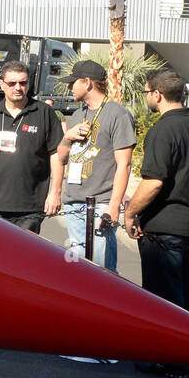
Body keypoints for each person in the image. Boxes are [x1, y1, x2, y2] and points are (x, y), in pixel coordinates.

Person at [125, 68, 189, 319]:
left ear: (157, 94)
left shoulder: (163, 130)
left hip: (164, 227)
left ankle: (168, 356)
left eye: (146, 92)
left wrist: (130, 212)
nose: (146, 97)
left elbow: (154, 182)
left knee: (163, 299)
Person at [55, 60, 135, 272]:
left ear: (87, 82)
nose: (69, 87)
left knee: (102, 271)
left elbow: (124, 164)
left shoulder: (117, 114)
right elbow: (61, 157)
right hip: (74, 201)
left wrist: (113, 206)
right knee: (78, 270)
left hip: (100, 203)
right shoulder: (77, 114)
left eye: (73, 82)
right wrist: (67, 137)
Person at [0, 60, 64, 233]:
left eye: (23, 82)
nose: (18, 87)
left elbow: (56, 155)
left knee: (23, 258)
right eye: (12, 83)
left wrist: (55, 192)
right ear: (2, 84)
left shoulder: (44, 112)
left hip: (30, 208)